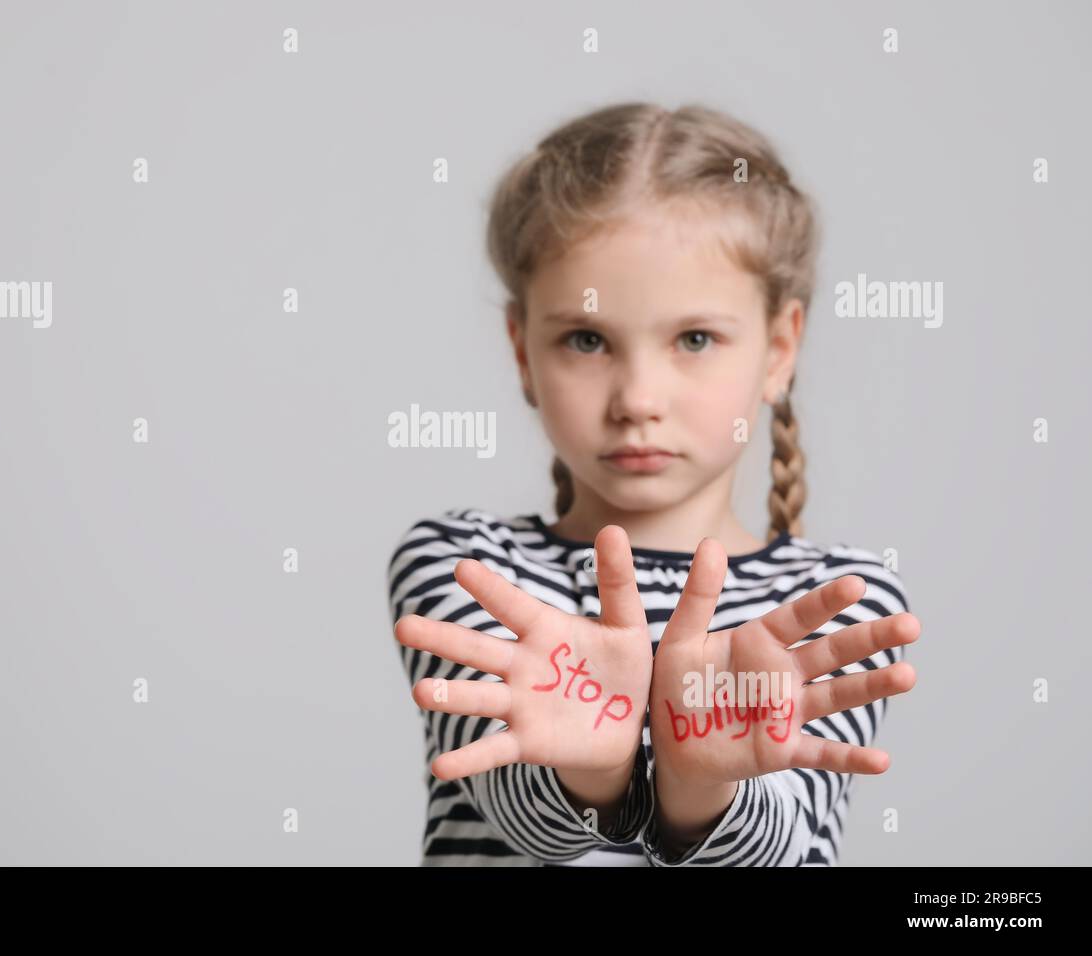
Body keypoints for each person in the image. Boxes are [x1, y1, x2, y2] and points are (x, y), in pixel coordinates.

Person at [386, 102, 920, 866]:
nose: (637, 398)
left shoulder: (836, 602)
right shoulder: (469, 566)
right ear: (521, 349)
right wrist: (593, 770)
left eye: (694, 339)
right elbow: (511, 809)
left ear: (778, 349)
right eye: (587, 339)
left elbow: (781, 852)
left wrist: (703, 784)